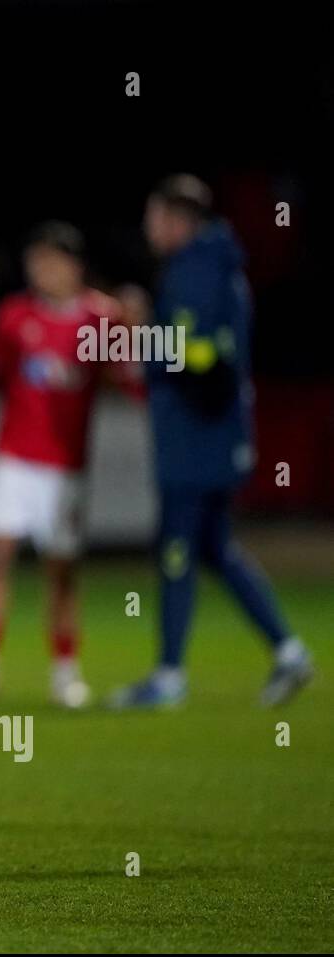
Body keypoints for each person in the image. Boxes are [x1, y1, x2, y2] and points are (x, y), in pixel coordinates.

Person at [110, 175, 314, 709]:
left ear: (178, 220)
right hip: (220, 435)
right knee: (214, 549)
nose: (149, 230)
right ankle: (288, 651)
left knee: (177, 550)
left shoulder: (193, 270)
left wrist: (144, 346)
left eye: (154, 218)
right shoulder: (220, 267)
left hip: (195, 439)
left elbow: (195, 355)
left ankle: (169, 675)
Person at [0, 222, 136, 709]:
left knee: (62, 571)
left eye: (51, 260)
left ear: (74, 266)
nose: (41, 270)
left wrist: (141, 341)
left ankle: (66, 672)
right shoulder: (14, 316)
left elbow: (129, 379)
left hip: (66, 468)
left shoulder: (100, 319)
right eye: (36, 260)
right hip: (14, 461)